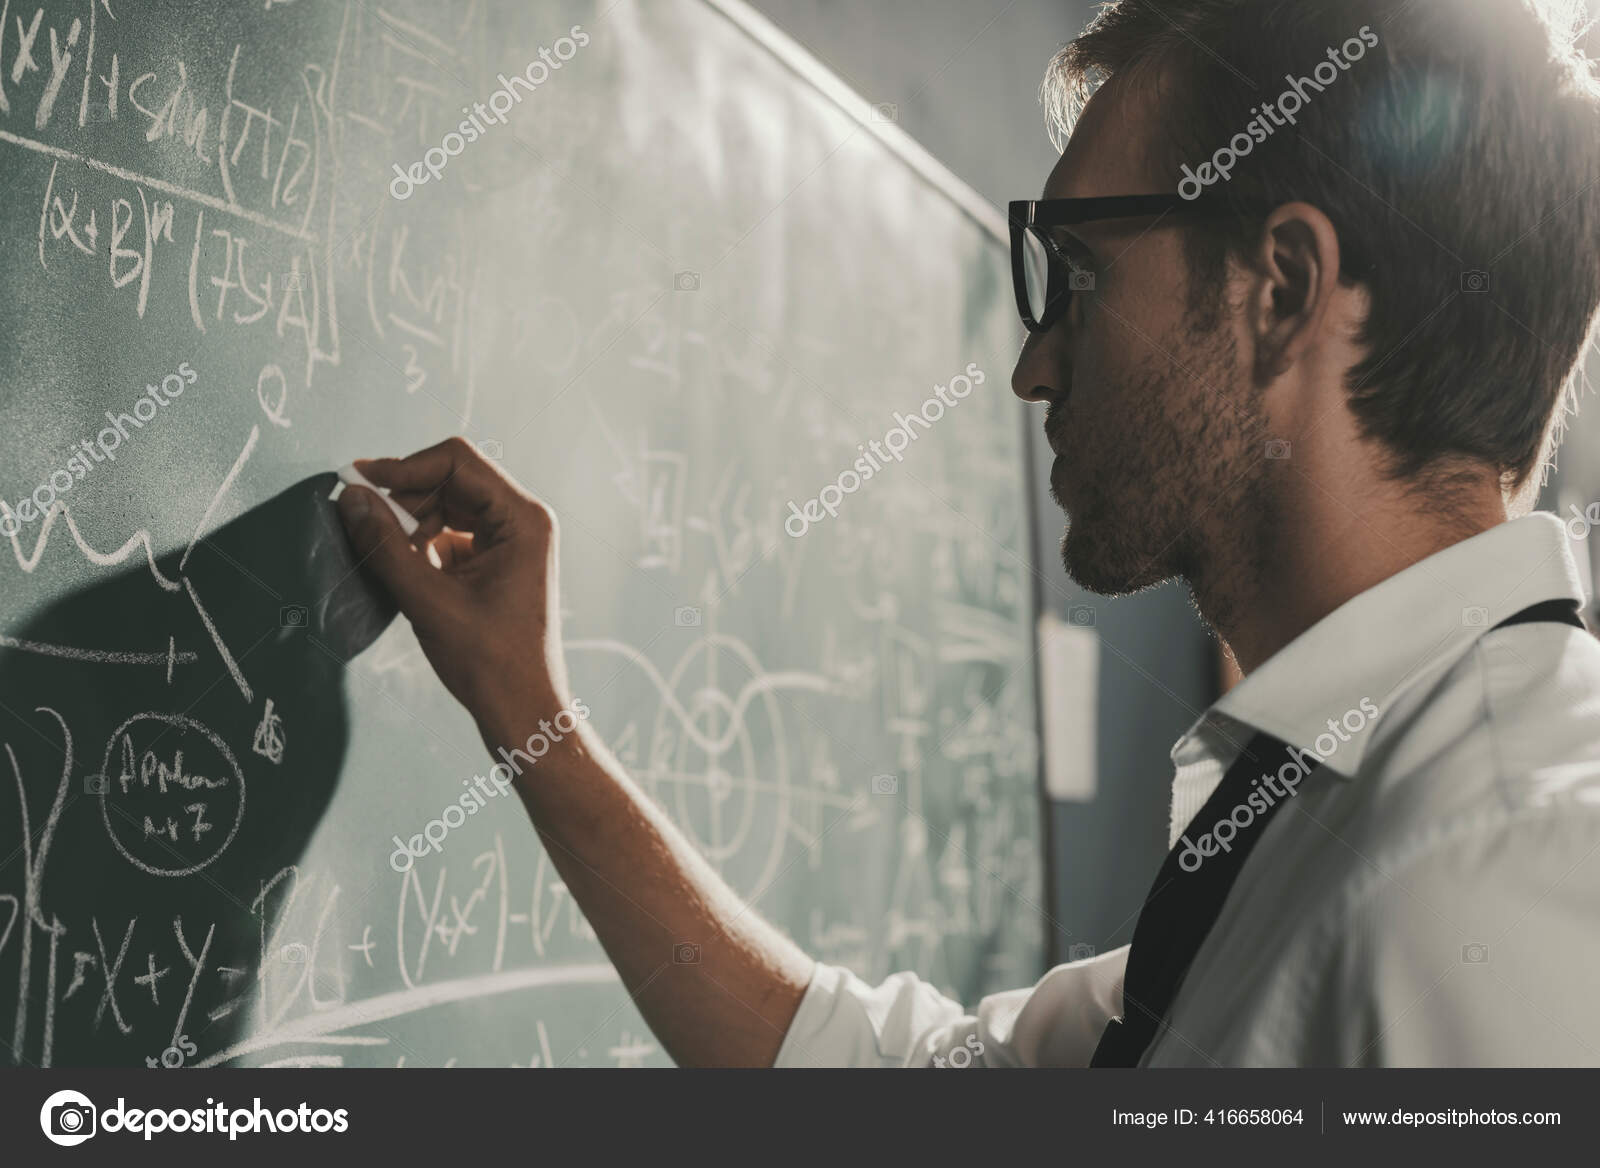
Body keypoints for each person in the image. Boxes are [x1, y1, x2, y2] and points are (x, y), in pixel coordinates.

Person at [337, 0, 1600, 1067]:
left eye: (1078, 277)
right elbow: (879, 1079)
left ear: (1278, 291)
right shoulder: (1325, 813)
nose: (1034, 366)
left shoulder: (1491, 875)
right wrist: (524, 704)